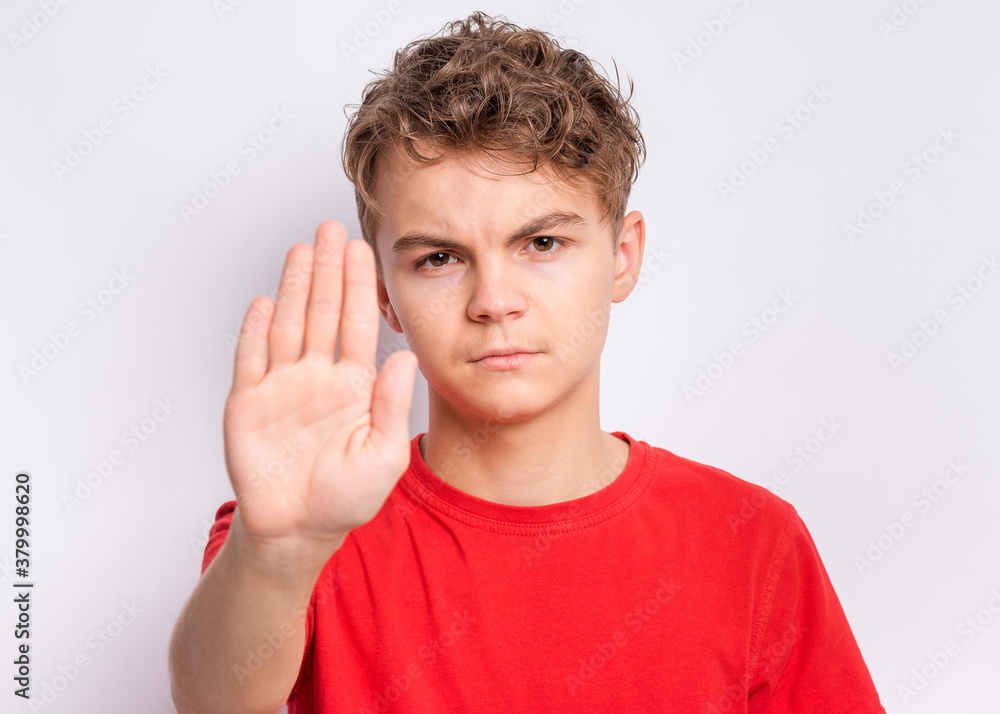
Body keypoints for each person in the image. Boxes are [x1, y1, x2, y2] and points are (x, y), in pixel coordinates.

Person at [168, 11, 886, 713]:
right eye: (440, 258)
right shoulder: (299, 524)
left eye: (541, 244)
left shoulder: (752, 543)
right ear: (387, 296)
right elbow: (212, 702)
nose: (494, 300)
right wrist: (280, 552)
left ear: (623, 257)